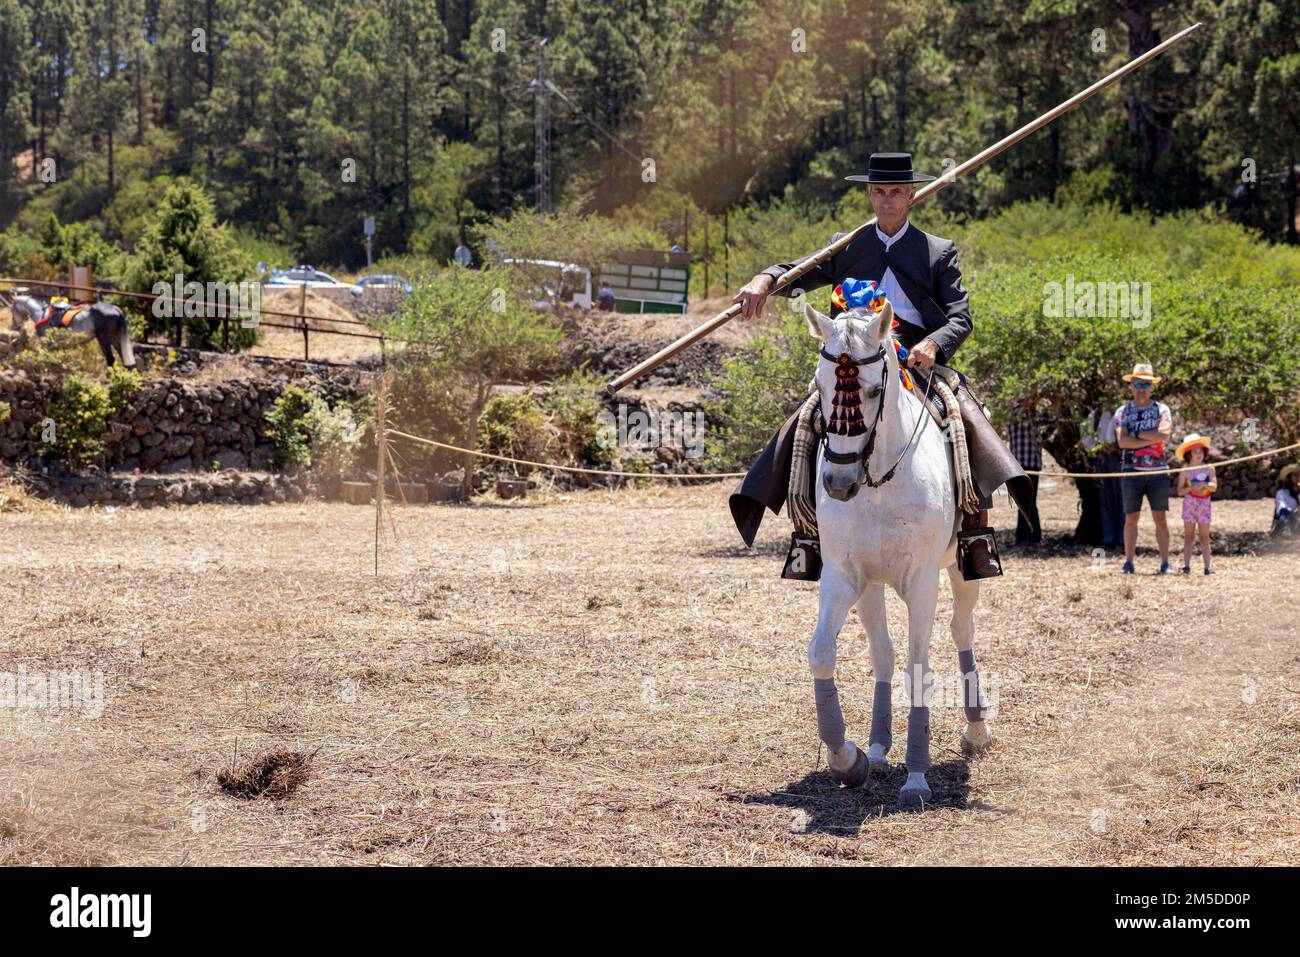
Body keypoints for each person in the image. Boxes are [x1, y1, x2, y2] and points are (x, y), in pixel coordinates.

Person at [727, 152, 1033, 578]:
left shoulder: (937, 251)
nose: (886, 201)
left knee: (960, 414)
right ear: (869, 194)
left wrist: (933, 342)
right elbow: (795, 272)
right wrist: (764, 279)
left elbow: (961, 317)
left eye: (895, 192)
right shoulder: (846, 243)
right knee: (808, 419)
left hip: (916, 361)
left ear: (911, 196)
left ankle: (974, 535)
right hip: (855, 360)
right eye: (878, 192)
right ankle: (808, 535)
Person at [1114, 363, 1174, 574]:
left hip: (1158, 471)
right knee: (1131, 518)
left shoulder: (1162, 409)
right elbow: (1122, 442)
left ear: (1151, 386)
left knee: (1160, 518)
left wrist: (1137, 435)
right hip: (1131, 470)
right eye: (1137, 383)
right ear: (1131, 385)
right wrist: (1149, 437)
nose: (1141, 388)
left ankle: (1165, 563)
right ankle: (1129, 562)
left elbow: (1165, 434)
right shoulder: (1123, 411)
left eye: (1146, 384)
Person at [1008, 400, 1052, 544]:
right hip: (1017, 466)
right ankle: (1029, 536)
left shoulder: (1040, 414)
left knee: (1029, 502)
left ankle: (1027, 536)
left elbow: (1050, 428)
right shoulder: (1014, 412)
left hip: (1032, 465)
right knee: (1023, 502)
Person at [1175, 434, 1216, 575]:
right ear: (1189, 454)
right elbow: (1180, 491)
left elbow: (1214, 487)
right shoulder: (1185, 470)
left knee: (1205, 537)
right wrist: (1191, 488)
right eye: (1195, 452)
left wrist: (1205, 484)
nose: (1199, 454)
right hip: (1190, 505)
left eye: (1200, 451)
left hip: (1205, 505)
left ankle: (1207, 567)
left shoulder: (1209, 468)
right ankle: (1186, 566)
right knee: (1189, 536)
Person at [1273, 464, 1300, 537]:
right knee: (1284, 515)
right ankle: (1284, 531)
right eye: (1295, 475)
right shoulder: (1282, 493)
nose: (1298, 478)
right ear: (1289, 477)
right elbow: (1282, 509)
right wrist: (1294, 511)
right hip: (1289, 519)